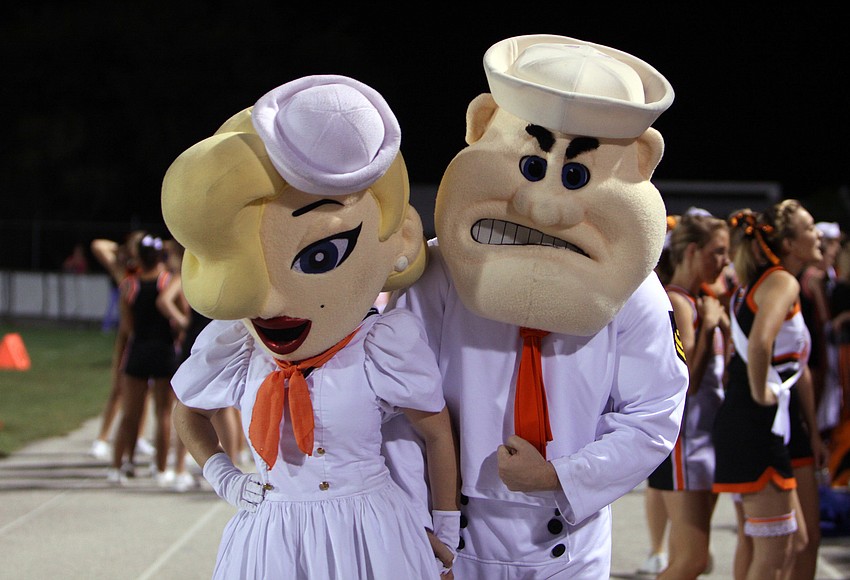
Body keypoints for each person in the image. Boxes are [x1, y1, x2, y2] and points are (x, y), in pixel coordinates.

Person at [385, 34, 689, 578]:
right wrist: (421, 522)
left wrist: (563, 476)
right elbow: (398, 408)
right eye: (531, 166)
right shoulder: (440, 273)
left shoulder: (633, 291)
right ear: (481, 126)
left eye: (576, 176)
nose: (544, 205)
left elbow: (654, 416)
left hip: (567, 540)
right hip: (453, 530)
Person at [162, 75, 460, 578]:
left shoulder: (379, 347)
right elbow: (187, 415)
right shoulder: (238, 348)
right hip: (272, 529)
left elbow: (436, 433)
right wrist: (226, 478)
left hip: (370, 530)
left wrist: (444, 530)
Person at [712, 200, 824, 579]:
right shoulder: (781, 280)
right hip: (758, 424)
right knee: (777, 550)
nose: (819, 235)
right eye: (810, 228)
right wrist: (762, 397)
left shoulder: (763, 282)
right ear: (789, 243)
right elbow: (760, 343)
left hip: (758, 423)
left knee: (791, 542)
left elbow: (788, 364)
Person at [647, 211, 730, 579]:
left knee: (693, 559)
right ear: (693, 251)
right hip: (684, 444)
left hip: (704, 439)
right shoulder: (680, 302)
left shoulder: (700, 299)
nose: (726, 261)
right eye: (718, 252)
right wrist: (711, 326)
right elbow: (688, 382)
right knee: (690, 561)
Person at [107, 233, 178, 485]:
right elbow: (178, 322)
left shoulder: (128, 285)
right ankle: (161, 469)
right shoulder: (169, 282)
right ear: (160, 256)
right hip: (164, 352)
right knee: (163, 414)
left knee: (129, 414)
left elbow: (127, 327)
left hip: (138, 351)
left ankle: (118, 466)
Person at [88, 230, 155, 461]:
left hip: (148, 335)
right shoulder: (124, 271)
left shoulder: (152, 270)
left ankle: (139, 437)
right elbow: (98, 244)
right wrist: (124, 248)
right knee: (119, 389)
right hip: (128, 337)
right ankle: (102, 439)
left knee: (145, 390)